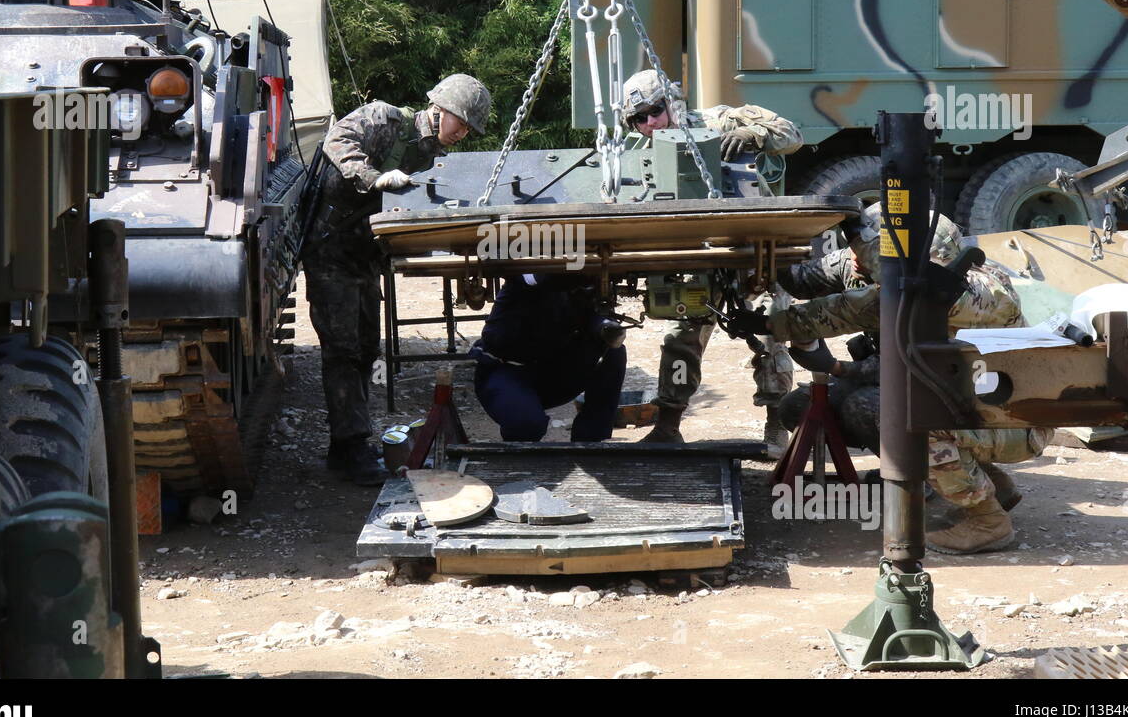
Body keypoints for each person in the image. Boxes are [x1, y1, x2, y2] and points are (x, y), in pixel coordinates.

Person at [765, 204, 1050, 554]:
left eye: (875, 251)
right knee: (808, 406)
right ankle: (982, 481)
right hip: (958, 403)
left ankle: (988, 520)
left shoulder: (982, 292)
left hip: (1011, 420)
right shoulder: (891, 277)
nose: (857, 260)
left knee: (906, 418)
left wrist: (840, 368)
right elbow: (823, 294)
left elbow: (883, 305)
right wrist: (765, 262)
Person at [302, 74, 491, 485]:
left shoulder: (431, 154)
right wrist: (373, 177)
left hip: (366, 256)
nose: (461, 133)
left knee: (368, 346)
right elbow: (337, 142)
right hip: (330, 250)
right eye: (460, 123)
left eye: (468, 130)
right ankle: (351, 448)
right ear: (440, 109)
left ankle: (346, 446)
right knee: (343, 350)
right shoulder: (385, 119)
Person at [617, 69, 804, 447]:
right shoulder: (637, 158)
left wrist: (752, 134)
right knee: (680, 339)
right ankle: (668, 426)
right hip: (695, 256)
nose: (650, 123)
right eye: (639, 118)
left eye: (655, 111)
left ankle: (776, 421)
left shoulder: (722, 120)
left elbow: (793, 135)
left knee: (773, 329)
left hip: (753, 249)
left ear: (672, 103)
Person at [470, 274, 627, 442]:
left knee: (611, 351)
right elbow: (534, 277)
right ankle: (519, 452)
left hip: (553, 374)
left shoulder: (584, 279)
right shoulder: (527, 270)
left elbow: (592, 315)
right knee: (526, 425)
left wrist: (604, 327)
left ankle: (591, 443)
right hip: (506, 371)